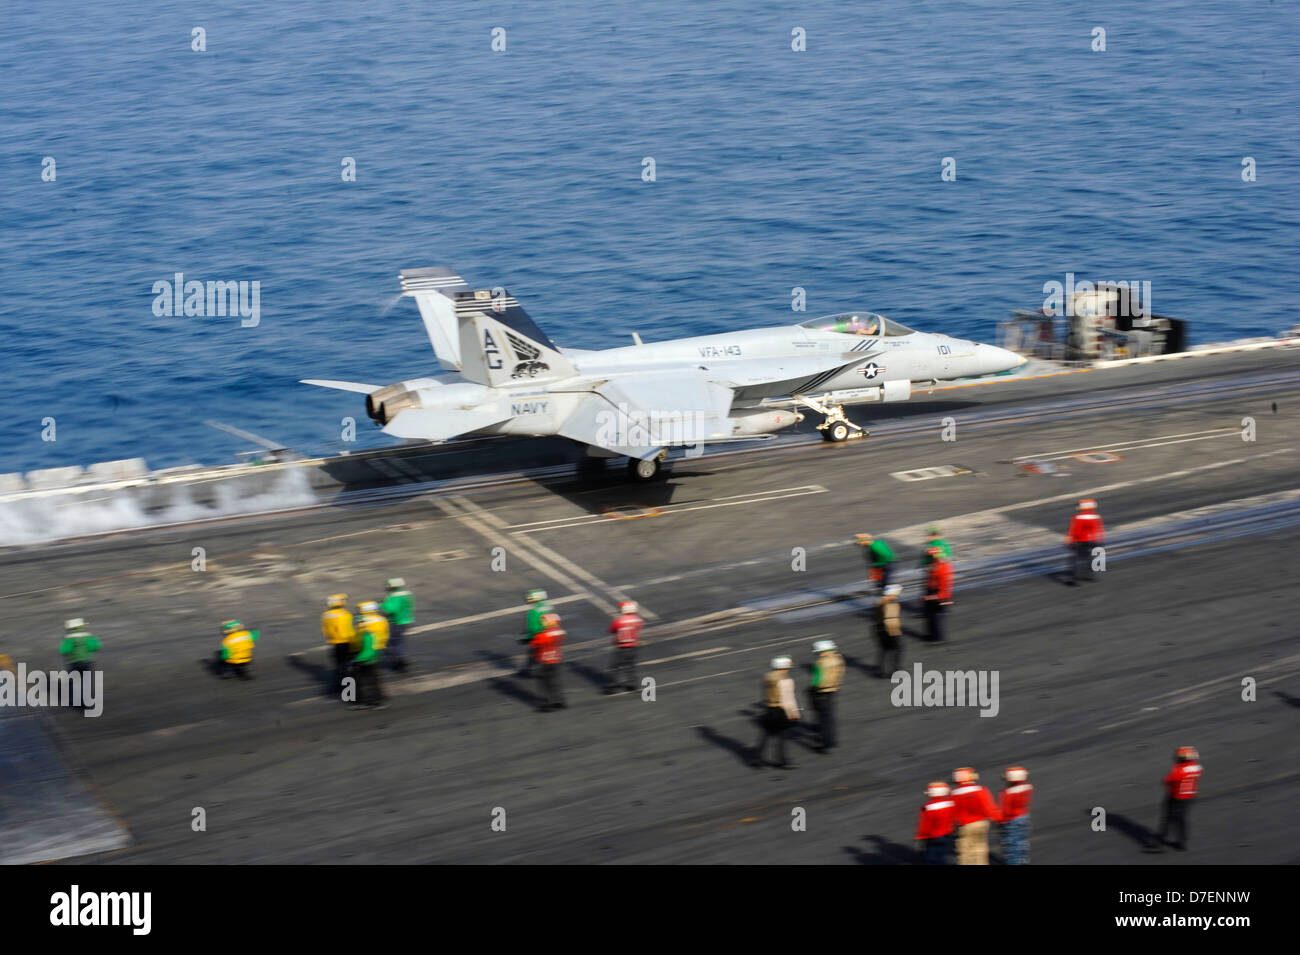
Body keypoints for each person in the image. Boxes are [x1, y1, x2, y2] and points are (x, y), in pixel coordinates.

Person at [754, 657, 800, 768]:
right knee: (782, 736)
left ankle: (757, 759)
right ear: (783, 668)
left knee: (765, 735)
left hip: (769, 709)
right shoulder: (785, 680)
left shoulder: (768, 677)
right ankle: (782, 761)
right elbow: (788, 699)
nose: (788, 670)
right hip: (780, 710)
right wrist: (794, 713)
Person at [950, 767, 1001, 865]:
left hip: (964, 826)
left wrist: (951, 828)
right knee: (980, 849)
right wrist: (999, 819)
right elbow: (989, 808)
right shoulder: (980, 789)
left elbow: (952, 814)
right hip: (981, 823)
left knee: (965, 853)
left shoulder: (953, 794)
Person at [1155, 746, 1202, 851]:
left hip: (1176, 796)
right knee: (1182, 819)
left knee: (1167, 818)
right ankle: (1182, 842)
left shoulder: (1178, 771)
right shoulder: (1197, 768)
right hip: (1189, 797)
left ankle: (1160, 841)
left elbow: (1166, 781)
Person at [808, 639, 844, 751]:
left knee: (823, 718)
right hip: (833, 690)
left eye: (819, 652)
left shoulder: (819, 663)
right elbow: (841, 673)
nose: (819, 654)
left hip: (821, 692)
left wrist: (812, 690)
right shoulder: (839, 659)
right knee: (830, 717)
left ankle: (825, 743)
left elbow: (816, 680)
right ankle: (833, 741)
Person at [351, 605, 387, 709]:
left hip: (368, 662)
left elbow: (368, 651)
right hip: (368, 661)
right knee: (371, 681)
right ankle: (376, 699)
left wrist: (356, 660)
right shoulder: (362, 633)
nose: (357, 625)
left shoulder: (366, 635)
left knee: (369, 681)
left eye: (358, 623)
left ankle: (375, 701)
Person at [320, 594, 355, 694]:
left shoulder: (325, 615)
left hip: (333, 642)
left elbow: (325, 630)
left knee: (338, 665)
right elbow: (350, 630)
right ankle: (349, 691)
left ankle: (337, 686)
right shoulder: (346, 614)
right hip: (345, 642)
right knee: (347, 666)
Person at [998, 766, 1034, 865]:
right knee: (1023, 843)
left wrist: (1001, 822)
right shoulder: (1028, 787)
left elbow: (1006, 811)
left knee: (1012, 847)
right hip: (1024, 817)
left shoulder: (1006, 793)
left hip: (1011, 821)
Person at [606, 601, 643, 693]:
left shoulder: (618, 621)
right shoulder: (638, 620)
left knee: (615, 666)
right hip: (633, 646)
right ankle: (632, 684)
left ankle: (612, 687)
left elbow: (612, 630)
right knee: (630, 666)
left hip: (621, 646)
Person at [915, 781, 956, 865]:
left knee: (931, 858)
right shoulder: (951, 804)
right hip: (947, 834)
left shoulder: (927, 807)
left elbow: (924, 825)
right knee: (942, 857)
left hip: (933, 836)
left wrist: (920, 839)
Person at [532, 612, 566, 711]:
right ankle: (559, 701)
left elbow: (535, 643)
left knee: (544, 683)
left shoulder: (542, 635)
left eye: (544, 621)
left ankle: (547, 704)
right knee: (556, 681)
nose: (543, 623)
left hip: (545, 660)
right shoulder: (561, 632)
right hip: (556, 659)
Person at [1065, 499, 1105, 583]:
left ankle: (1076, 578)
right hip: (1094, 541)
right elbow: (1100, 529)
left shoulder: (1077, 517)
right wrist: (1101, 540)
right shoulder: (1096, 516)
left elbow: (1074, 531)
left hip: (1081, 541)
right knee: (1091, 557)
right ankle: (1092, 576)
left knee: (1076, 558)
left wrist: (1070, 541)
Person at [380, 578, 415, 671]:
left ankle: (399, 660)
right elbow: (411, 605)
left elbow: (391, 609)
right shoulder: (407, 594)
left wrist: (382, 605)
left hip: (396, 622)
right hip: (405, 620)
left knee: (391, 643)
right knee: (399, 642)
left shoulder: (393, 597)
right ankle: (402, 657)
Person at [518, 589, 551, 677]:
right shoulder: (547, 606)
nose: (528, 599)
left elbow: (533, 626)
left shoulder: (533, 611)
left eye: (530, 597)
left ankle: (528, 670)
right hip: (547, 634)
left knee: (533, 653)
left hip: (537, 636)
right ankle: (528, 669)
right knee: (540, 653)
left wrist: (528, 636)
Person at [923, 548, 953, 642]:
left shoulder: (943, 568)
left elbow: (945, 586)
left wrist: (934, 597)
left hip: (939, 596)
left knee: (936, 617)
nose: (929, 558)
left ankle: (937, 638)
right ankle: (932, 635)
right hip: (933, 592)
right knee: (930, 616)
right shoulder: (935, 565)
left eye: (931, 556)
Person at [876, 584, 903, 677]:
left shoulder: (879, 602)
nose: (896, 596)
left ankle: (881, 670)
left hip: (880, 630)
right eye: (895, 594)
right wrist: (895, 632)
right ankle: (895, 670)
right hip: (890, 631)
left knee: (884, 650)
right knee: (897, 649)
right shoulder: (890, 604)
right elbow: (891, 619)